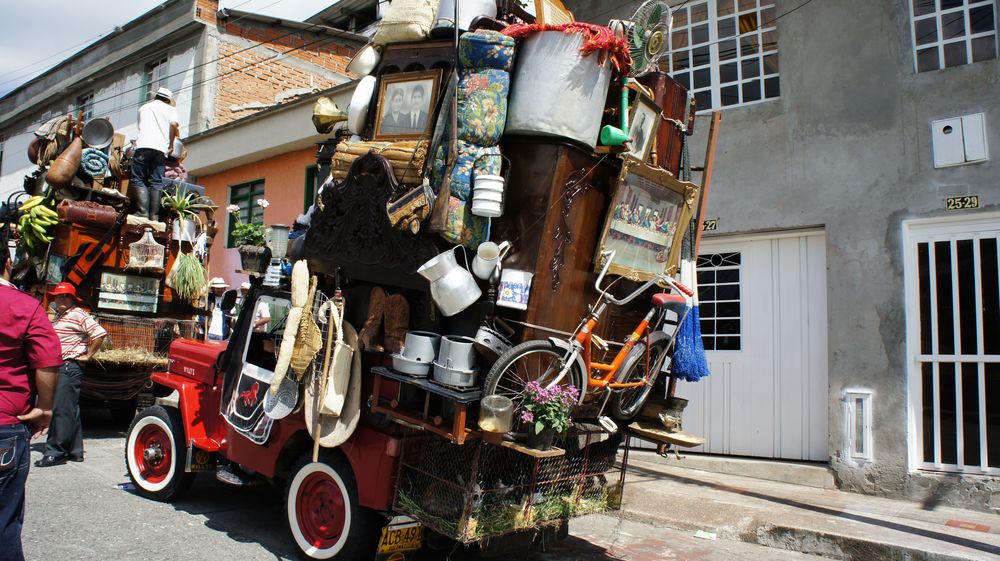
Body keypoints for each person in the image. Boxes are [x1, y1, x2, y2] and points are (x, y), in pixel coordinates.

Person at [0, 242, 62, 561]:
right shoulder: (25, 306)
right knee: (4, 522)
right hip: (6, 425)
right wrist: (45, 407)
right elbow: (47, 359)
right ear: (8, 263)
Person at [35, 283, 106, 468]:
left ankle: (55, 452)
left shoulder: (78, 314)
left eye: (65, 296)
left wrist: (88, 355)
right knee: (69, 409)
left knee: (61, 409)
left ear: (73, 299)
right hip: (62, 366)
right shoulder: (60, 316)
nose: (61, 299)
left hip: (69, 365)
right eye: (58, 296)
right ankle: (75, 451)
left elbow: (99, 333)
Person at [132, 87, 180, 221]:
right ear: (168, 100)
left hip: (143, 146)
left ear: (156, 96)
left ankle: (142, 212)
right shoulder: (170, 109)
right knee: (157, 181)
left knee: (138, 178)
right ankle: (154, 216)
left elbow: (140, 127)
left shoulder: (144, 108)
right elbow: (174, 125)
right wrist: (171, 144)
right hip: (160, 149)